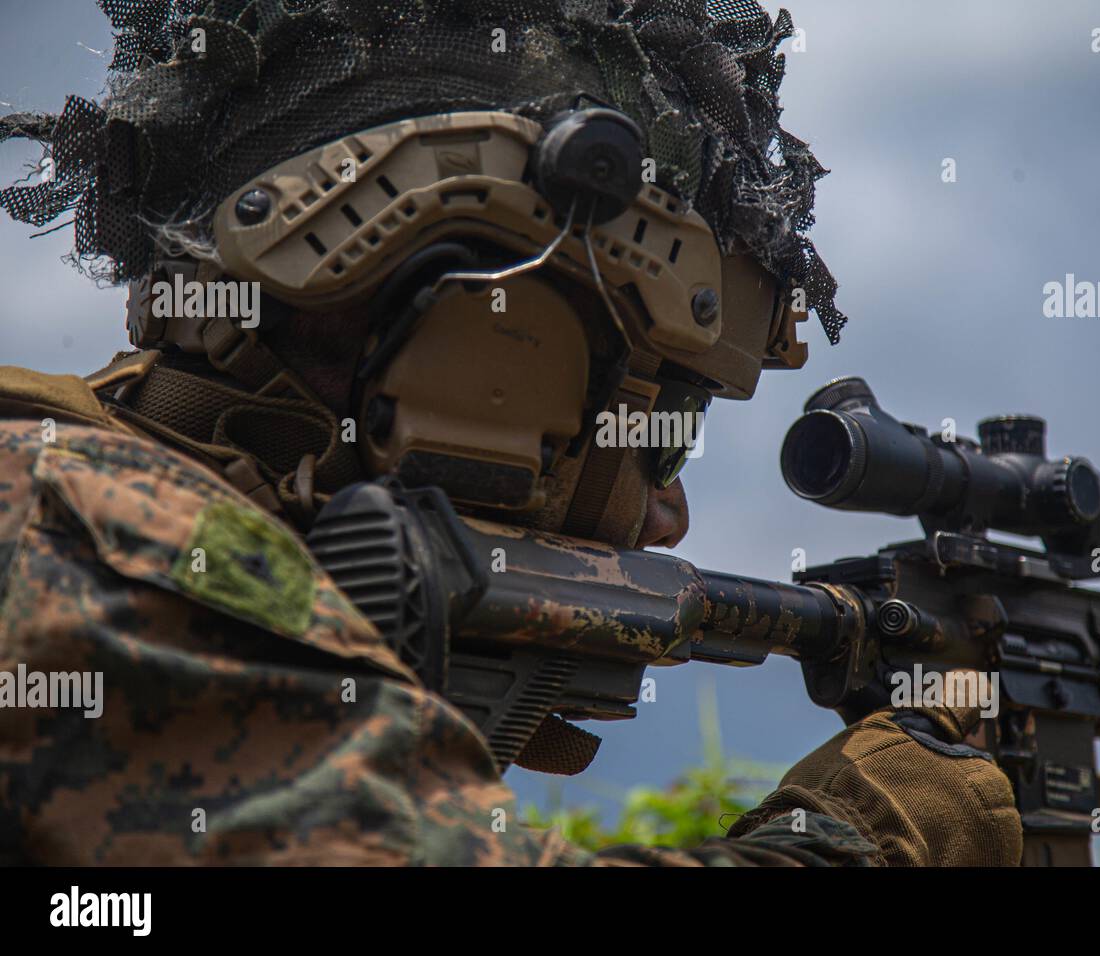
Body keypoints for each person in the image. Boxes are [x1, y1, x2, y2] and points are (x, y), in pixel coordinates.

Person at [0, 0, 1021, 866]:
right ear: (488, 348)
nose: (670, 511)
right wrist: (881, 830)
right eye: (663, 431)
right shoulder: (88, 534)